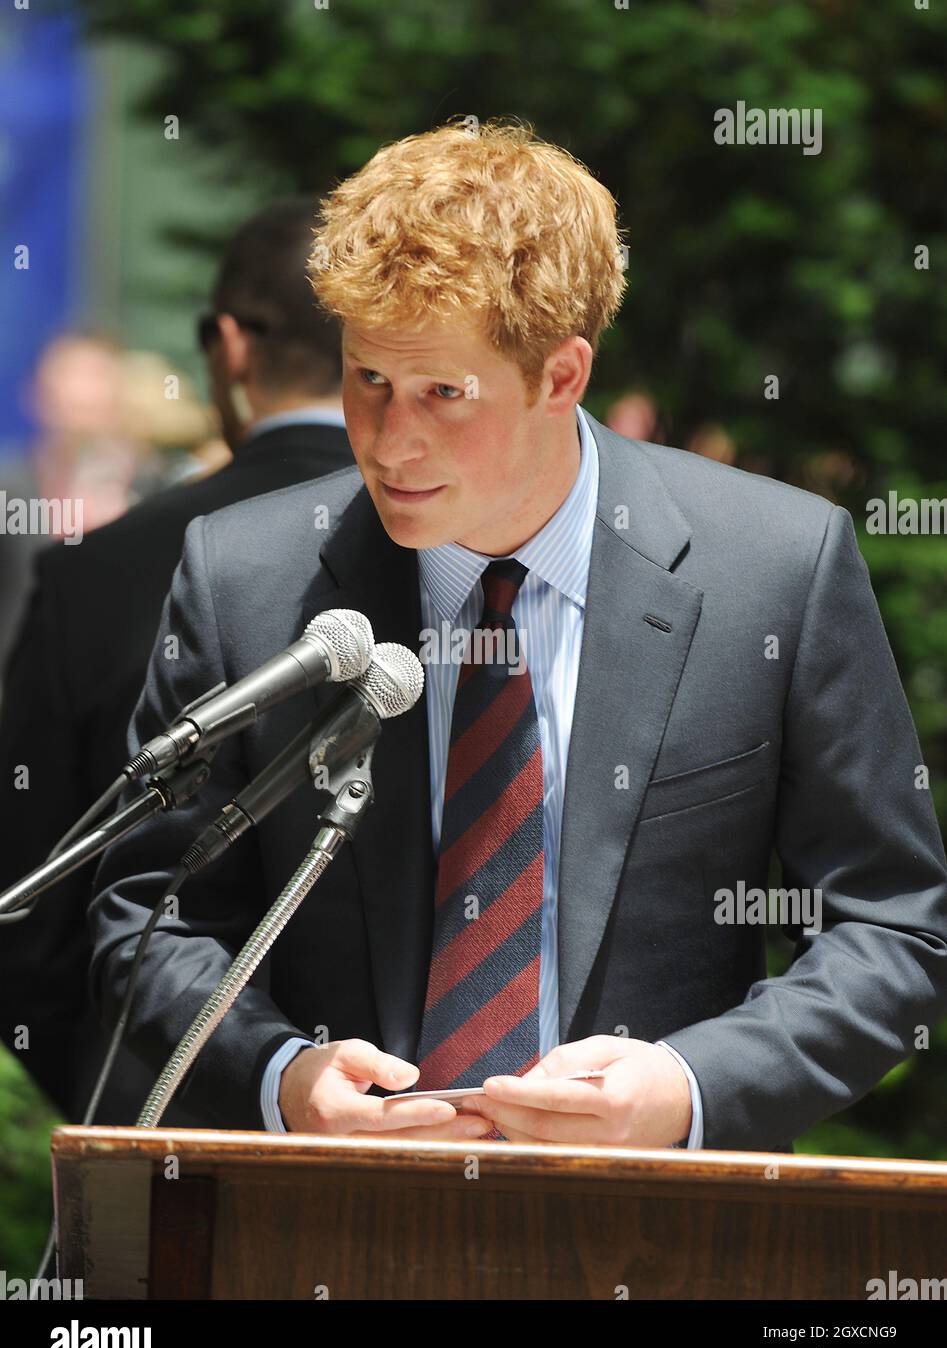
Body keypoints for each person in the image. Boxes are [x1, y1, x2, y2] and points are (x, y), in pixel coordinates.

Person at [87, 121, 947, 1152]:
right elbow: (150, 914)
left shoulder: (771, 569)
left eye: (443, 393)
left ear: (560, 376)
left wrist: (685, 1086)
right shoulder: (244, 577)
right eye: (368, 382)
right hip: (331, 1228)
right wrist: (280, 1073)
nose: (391, 440)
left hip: (661, 1239)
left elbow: (894, 928)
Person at [0, 197, 355, 1124]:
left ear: (231, 347)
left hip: (161, 1139)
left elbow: (30, 914)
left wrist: (111, 1095)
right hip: (416, 1113)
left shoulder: (96, 573)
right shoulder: (460, 547)